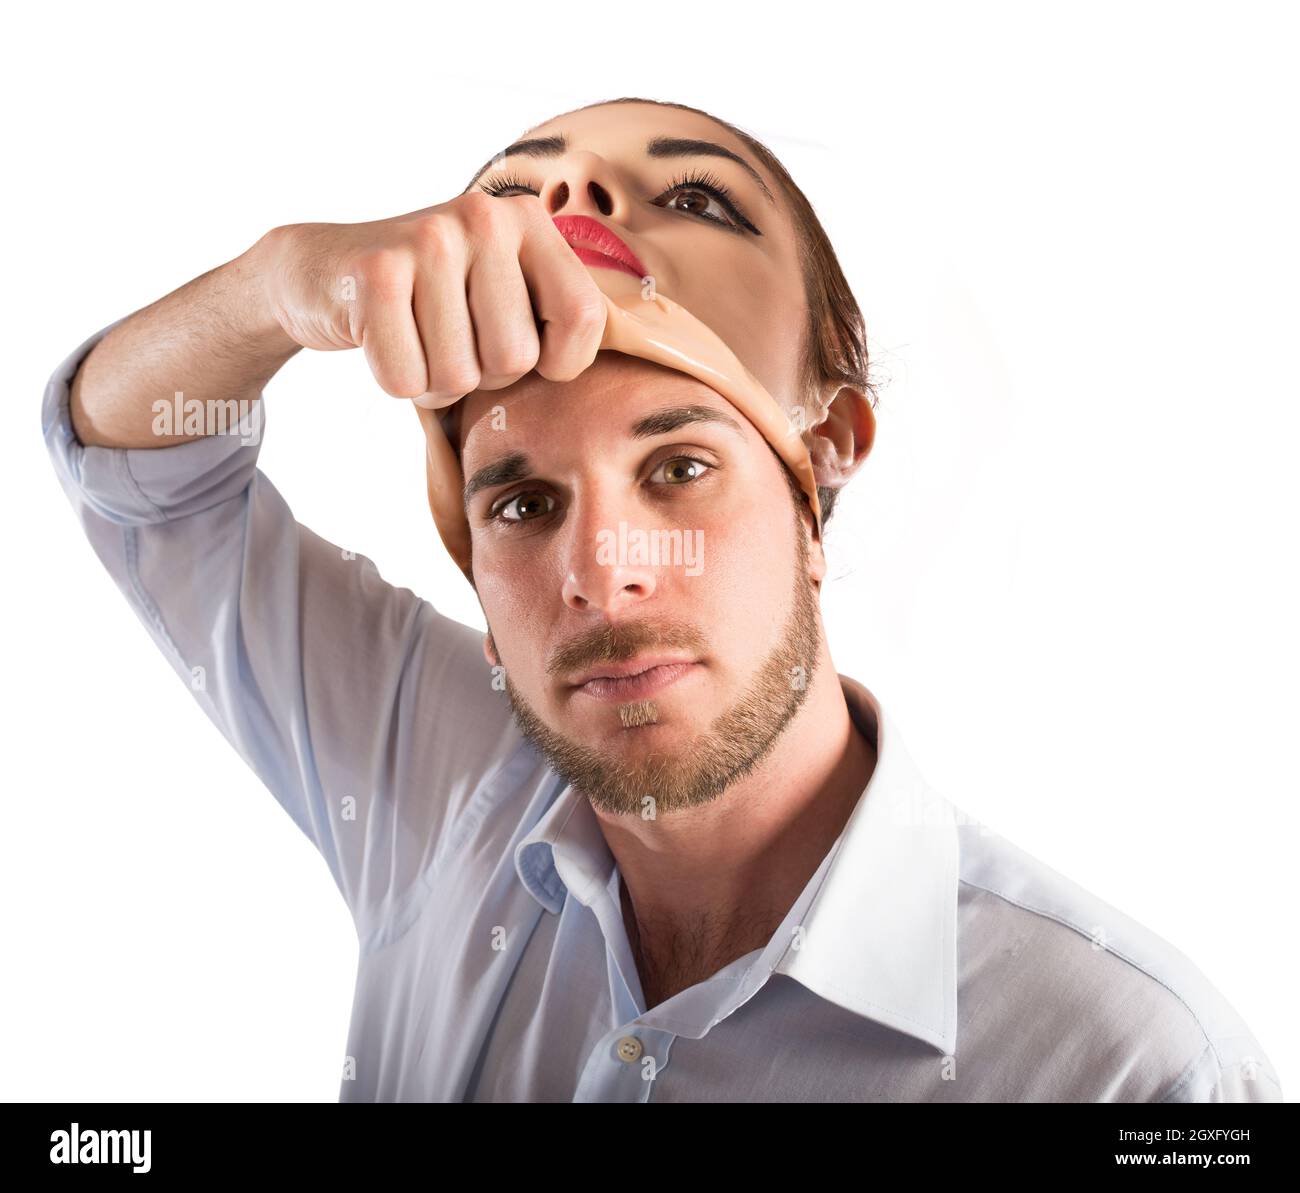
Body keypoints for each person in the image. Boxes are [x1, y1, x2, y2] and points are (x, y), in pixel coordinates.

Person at [44, 97, 1283, 1102]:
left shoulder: (1134, 1070)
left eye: (679, 467)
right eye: (523, 503)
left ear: (825, 464)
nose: (602, 570)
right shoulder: (435, 775)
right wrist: (272, 285)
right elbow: (141, 466)